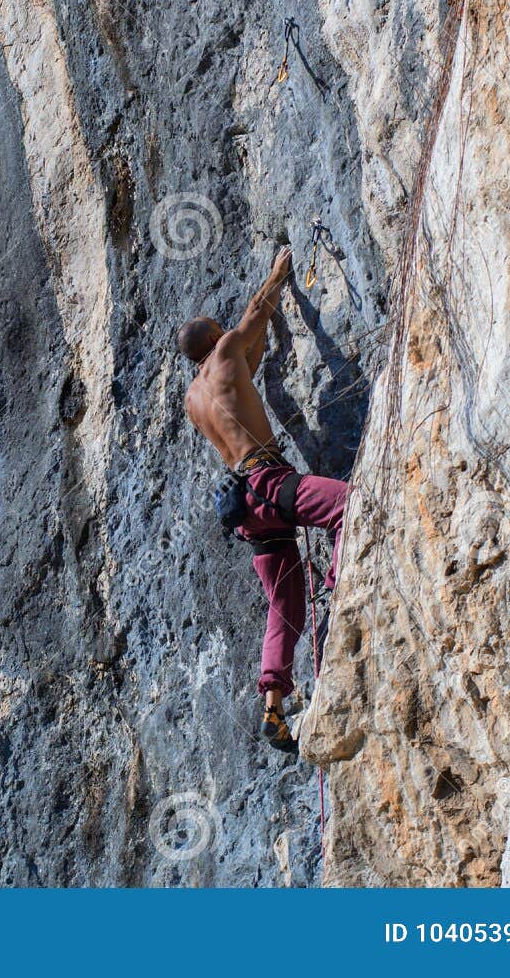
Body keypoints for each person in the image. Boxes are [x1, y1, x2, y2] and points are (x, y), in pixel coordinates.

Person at [179, 247, 350, 755]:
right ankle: (343, 584)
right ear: (216, 338)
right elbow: (256, 313)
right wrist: (279, 272)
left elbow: (246, 372)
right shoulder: (229, 348)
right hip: (271, 482)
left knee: (285, 605)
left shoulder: (194, 399)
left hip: (246, 508)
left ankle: (273, 704)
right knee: (349, 505)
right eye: (220, 328)